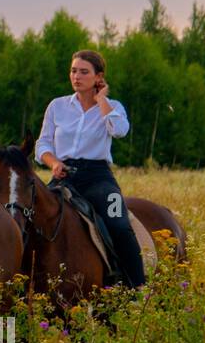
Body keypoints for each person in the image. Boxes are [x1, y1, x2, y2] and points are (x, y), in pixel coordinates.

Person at [34, 49, 146, 289]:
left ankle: (136, 287)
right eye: (73, 71)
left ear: (99, 77)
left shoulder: (113, 106)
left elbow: (119, 130)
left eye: (84, 72)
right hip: (63, 175)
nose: (77, 76)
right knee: (30, 216)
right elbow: (42, 144)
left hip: (98, 177)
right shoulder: (57, 106)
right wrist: (54, 163)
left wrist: (101, 100)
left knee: (118, 222)